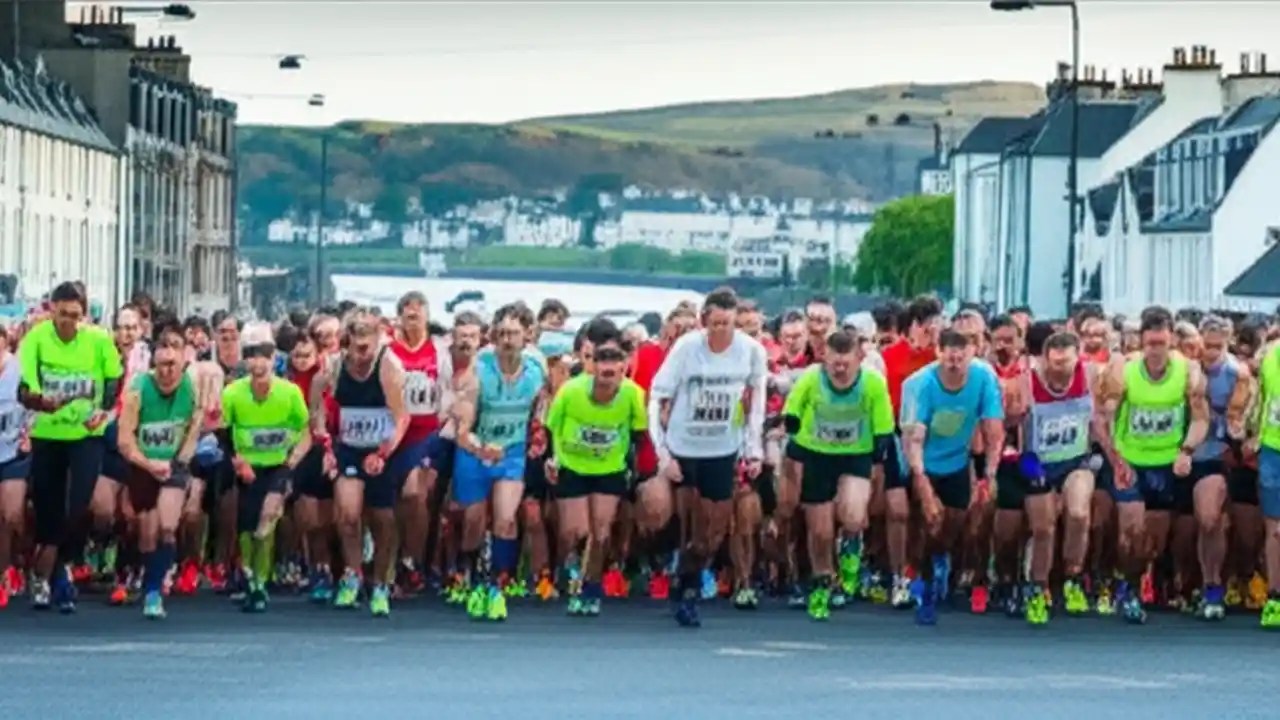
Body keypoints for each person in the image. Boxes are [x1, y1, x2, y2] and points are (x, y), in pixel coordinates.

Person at [648, 287, 767, 628]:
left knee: (713, 532)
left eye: (727, 324)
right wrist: (663, 454)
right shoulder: (687, 349)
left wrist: (752, 447)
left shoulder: (751, 351)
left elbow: (755, 400)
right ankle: (685, 591)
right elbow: (656, 397)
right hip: (684, 448)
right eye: (714, 324)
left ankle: (688, 570)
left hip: (722, 448)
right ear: (704, 322)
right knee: (687, 521)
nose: (721, 331)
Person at [1094, 307, 1210, 625]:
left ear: (1171, 339)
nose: (1156, 350)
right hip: (1130, 460)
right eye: (1151, 344)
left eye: (1162, 343)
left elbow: (1201, 419)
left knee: (1151, 543)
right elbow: (1103, 419)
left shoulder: (1188, 371)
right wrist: (1116, 459)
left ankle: (1133, 580)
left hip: (1165, 463)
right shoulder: (1125, 370)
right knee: (1130, 528)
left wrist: (1186, 450)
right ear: (1142, 342)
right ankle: (1127, 591)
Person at [18, 281, 123, 613]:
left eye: (76, 316)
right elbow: (26, 387)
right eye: (63, 315)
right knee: (49, 505)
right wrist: (41, 400)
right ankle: (51, 574)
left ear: (85, 314)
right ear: (52, 310)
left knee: (78, 504)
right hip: (48, 433)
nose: (69, 323)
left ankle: (54, 566)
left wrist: (103, 411)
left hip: (85, 433)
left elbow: (112, 381)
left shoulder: (98, 340)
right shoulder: (36, 339)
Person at [782, 330, 894, 620]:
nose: (840, 371)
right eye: (835, 365)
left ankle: (852, 547)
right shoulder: (810, 378)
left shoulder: (872, 382)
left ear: (859, 358)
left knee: (853, 515)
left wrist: (879, 451)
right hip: (816, 454)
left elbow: (884, 426)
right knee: (820, 532)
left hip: (855, 453)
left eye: (846, 365)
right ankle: (823, 583)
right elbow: (792, 412)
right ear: (824, 358)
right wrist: (792, 427)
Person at [899, 328, 1004, 625]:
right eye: (949, 357)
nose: (955, 363)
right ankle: (917, 576)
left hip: (957, 461)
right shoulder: (922, 384)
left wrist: (989, 475)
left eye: (962, 356)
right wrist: (923, 484)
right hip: (923, 462)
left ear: (972, 354)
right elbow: (914, 440)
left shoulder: (983, 378)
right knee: (930, 520)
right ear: (939, 354)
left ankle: (955, 568)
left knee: (956, 525)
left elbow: (994, 432)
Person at [545, 317, 646, 616]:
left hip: (608, 468)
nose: (608, 374)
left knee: (600, 533)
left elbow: (638, 433)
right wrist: (553, 459)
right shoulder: (570, 391)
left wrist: (632, 468)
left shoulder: (632, 395)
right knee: (575, 532)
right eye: (602, 367)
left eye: (615, 369)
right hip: (572, 464)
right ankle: (572, 568)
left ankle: (589, 586)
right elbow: (552, 427)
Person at [452, 303, 546, 622]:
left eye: (514, 334)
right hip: (476, 450)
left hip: (512, 453)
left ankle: (496, 584)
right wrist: (480, 447)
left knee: (505, 519)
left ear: (527, 336)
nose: (507, 340)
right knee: (474, 521)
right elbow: (462, 429)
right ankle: (467, 571)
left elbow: (542, 411)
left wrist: (539, 437)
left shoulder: (536, 370)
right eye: (502, 333)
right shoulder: (477, 371)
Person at [317, 311, 410, 616]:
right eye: (356, 348)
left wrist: (383, 453)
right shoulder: (334, 365)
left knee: (382, 519)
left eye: (366, 349)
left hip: (381, 446)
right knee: (348, 513)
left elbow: (401, 418)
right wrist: (325, 440)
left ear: (377, 342)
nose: (361, 356)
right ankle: (352, 575)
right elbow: (316, 407)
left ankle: (381, 581)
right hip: (349, 446)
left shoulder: (387, 366)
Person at [221, 322, 312, 613]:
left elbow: (306, 432)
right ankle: (251, 578)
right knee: (248, 526)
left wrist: (290, 462)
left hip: (279, 466)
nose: (258, 362)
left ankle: (261, 581)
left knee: (267, 518)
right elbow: (222, 432)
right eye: (251, 355)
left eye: (264, 354)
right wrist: (238, 461)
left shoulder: (290, 392)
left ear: (274, 358)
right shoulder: (233, 393)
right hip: (248, 468)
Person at [116, 325, 202, 619]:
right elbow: (125, 441)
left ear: (182, 364)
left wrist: (182, 459)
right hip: (143, 464)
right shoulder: (139, 389)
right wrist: (149, 464)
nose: (166, 372)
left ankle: (153, 592)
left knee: (167, 525)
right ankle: (136, 571)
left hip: (173, 465)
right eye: (161, 365)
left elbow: (194, 424)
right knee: (146, 531)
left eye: (172, 365)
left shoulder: (191, 388)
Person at [387, 292, 453, 595]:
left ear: (427, 317)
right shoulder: (389, 351)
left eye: (418, 315)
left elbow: (447, 392)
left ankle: (413, 560)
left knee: (416, 494)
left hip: (427, 433)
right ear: (400, 317)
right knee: (399, 500)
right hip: (393, 433)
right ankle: (398, 556)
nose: (413, 320)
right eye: (408, 315)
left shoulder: (439, 351)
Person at [0, 323, 29, 608]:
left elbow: (34, 404)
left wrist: (29, 434)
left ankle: (17, 563)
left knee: (12, 515)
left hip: (14, 452)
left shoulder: (19, 370)